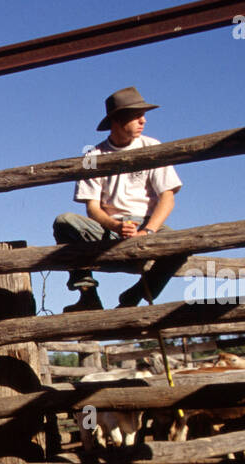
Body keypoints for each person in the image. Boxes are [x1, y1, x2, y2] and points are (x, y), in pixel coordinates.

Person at [53, 87, 183, 312]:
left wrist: (147, 231)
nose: (143, 120)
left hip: (148, 224)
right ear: (117, 120)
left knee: (182, 244)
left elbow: (167, 198)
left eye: (143, 115)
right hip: (108, 228)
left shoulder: (152, 147)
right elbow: (92, 208)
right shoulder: (93, 156)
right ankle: (88, 295)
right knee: (64, 222)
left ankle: (134, 295)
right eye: (136, 115)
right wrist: (116, 226)